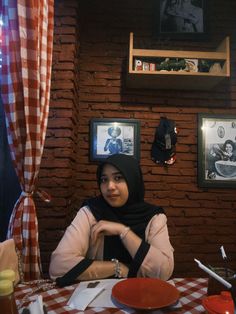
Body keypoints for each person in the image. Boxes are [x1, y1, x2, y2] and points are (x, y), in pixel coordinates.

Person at [49, 154, 174, 284]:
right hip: (95, 297)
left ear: (133, 180)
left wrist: (123, 231)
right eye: (104, 180)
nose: (110, 186)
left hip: (143, 297)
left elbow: (163, 272)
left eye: (118, 178)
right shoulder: (91, 212)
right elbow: (58, 266)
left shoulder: (154, 217)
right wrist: (117, 267)